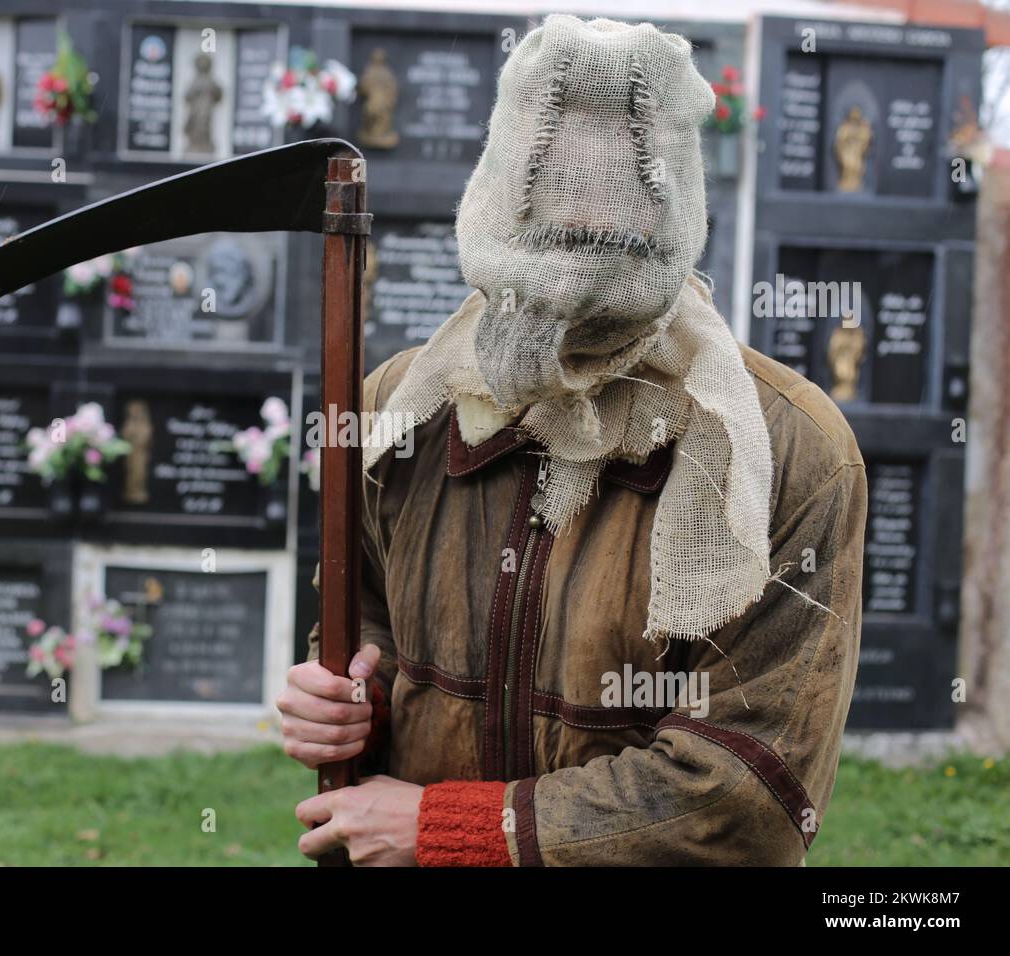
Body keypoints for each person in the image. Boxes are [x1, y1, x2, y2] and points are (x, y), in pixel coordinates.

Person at [277, 15, 866, 867]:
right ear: (508, 177)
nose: (589, 207)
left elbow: (748, 795)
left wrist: (455, 830)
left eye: (627, 174)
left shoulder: (783, 449)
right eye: (559, 169)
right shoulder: (404, 406)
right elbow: (367, 627)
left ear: (674, 191)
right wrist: (346, 700)